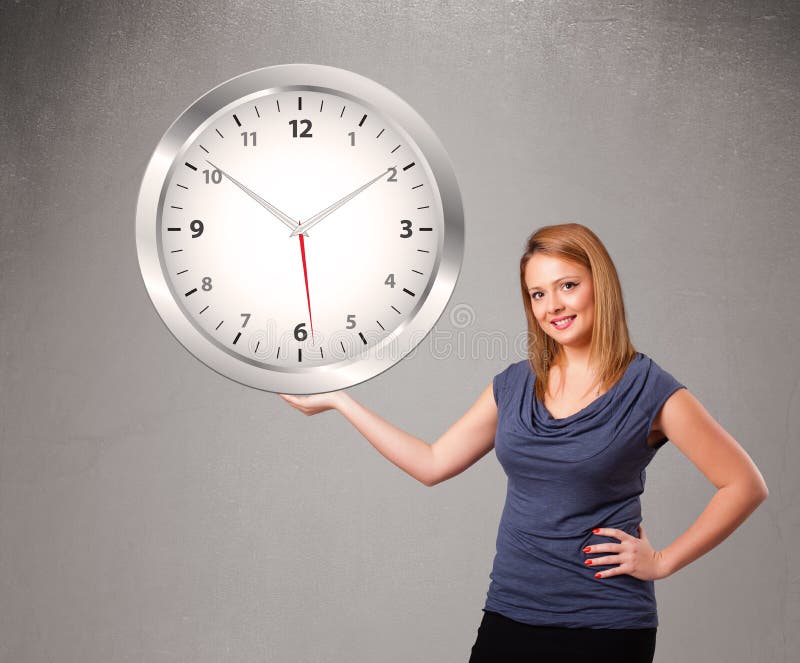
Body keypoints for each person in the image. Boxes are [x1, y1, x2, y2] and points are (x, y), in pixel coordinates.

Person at [278, 223, 769, 662]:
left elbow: (744, 484)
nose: (552, 305)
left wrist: (663, 560)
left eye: (568, 286)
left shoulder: (649, 389)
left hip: (606, 627)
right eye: (537, 294)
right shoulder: (514, 385)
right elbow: (431, 463)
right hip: (511, 615)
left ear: (602, 286)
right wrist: (342, 402)